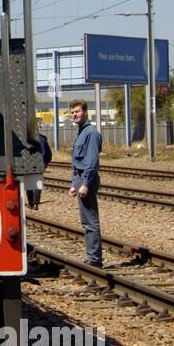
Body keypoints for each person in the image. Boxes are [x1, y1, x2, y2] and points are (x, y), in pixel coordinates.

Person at [68, 100, 102, 266]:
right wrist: (73, 183)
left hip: (86, 179)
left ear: (86, 112)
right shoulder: (81, 132)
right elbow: (76, 161)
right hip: (80, 179)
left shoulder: (91, 133)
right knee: (86, 221)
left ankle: (94, 260)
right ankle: (92, 257)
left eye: (77, 111)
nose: (74, 114)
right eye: (73, 112)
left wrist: (85, 184)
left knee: (90, 222)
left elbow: (92, 161)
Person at [26, 130, 52, 209]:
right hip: (40, 164)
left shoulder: (25, 138)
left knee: (29, 183)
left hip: (28, 164)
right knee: (37, 183)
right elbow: (49, 154)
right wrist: (45, 164)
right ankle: (36, 204)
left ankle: (30, 203)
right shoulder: (42, 139)